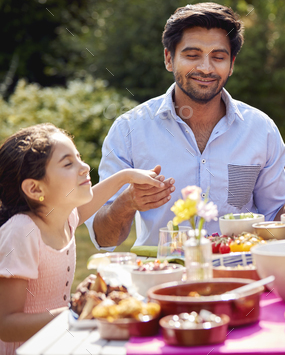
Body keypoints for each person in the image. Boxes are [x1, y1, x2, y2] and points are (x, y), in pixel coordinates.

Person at [87, 2, 285, 250]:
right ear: (169, 59)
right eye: (192, 55)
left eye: (218, 57)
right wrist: (126, 203)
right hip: (163, 279)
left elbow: (274, 229)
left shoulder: (261, 130)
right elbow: (104, 239)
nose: (205, 68)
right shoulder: (129, 130)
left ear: (232, 64)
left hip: (242, 277)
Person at [0, 124, 163, 355]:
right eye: (68, 163)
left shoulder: (63, 218)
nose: (84, 166)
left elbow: (91, 200)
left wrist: (125, 177)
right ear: (35, 189)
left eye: (79, 158)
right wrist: (79, 312)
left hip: (56, 344)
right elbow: (6, 325)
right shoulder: (22, 232)